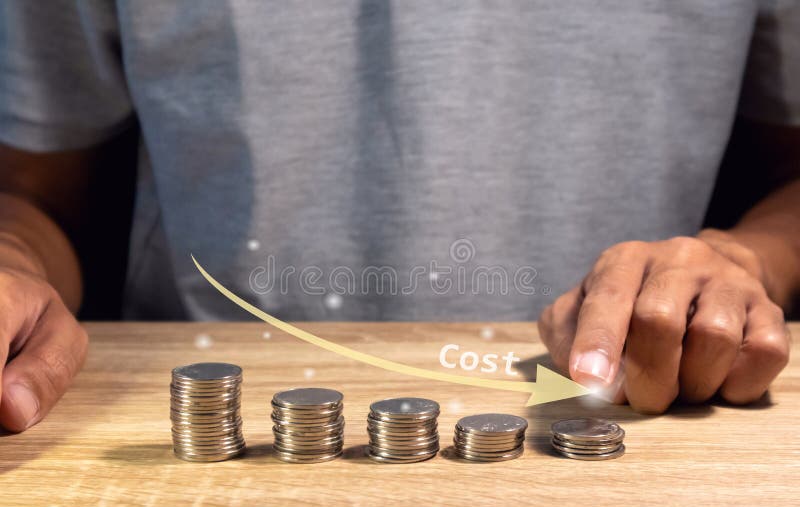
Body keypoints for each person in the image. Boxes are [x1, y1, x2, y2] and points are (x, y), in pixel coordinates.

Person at [0, 2, 797, 432]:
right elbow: (42, 195)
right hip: (203, 419)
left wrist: (744, 258)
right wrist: (11, 256)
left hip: (623, 406)